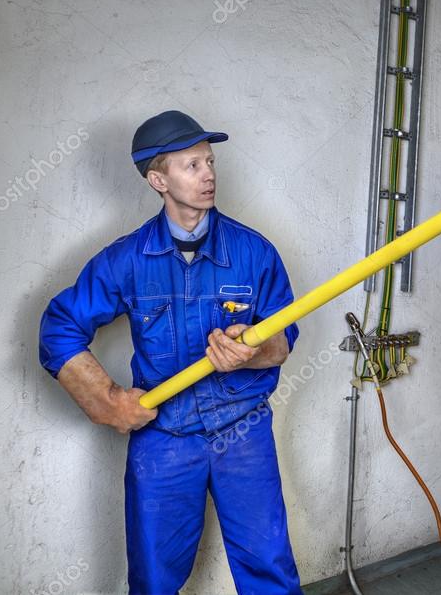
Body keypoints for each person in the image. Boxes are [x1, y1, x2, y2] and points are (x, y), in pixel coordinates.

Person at [39, 110, 302, 594]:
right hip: (164, 437)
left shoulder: (254, 252)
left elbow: (284, 342)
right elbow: (59, 327)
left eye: (209, 162)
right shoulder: (127, 260)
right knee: (154, 577)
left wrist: (252, 349)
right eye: (191, 166)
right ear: (158, 179)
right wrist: (108, 399)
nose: (208, 175)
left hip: (242, 430)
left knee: (269, 565)